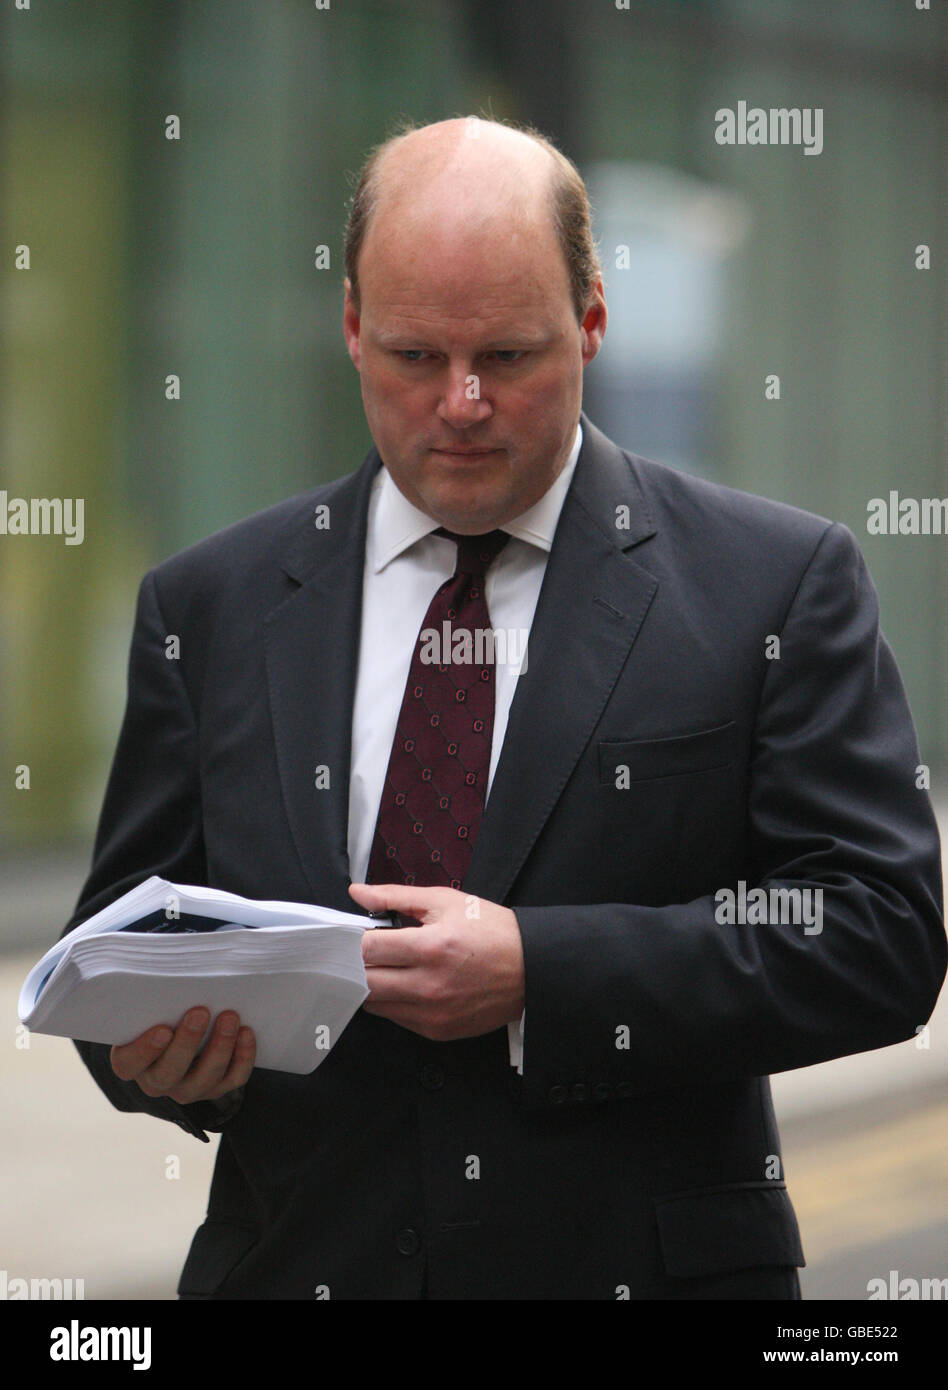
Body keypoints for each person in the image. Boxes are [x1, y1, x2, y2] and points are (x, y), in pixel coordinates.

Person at [62, 116, 945, 1300]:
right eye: (417, 357)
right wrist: (167, 1062)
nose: (463, 402)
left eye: (509, 356)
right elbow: (118, 949)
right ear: (351, 329)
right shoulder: (209, 603)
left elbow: (879, 935)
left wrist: (543, 971)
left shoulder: (772, 585)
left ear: (590, 320)